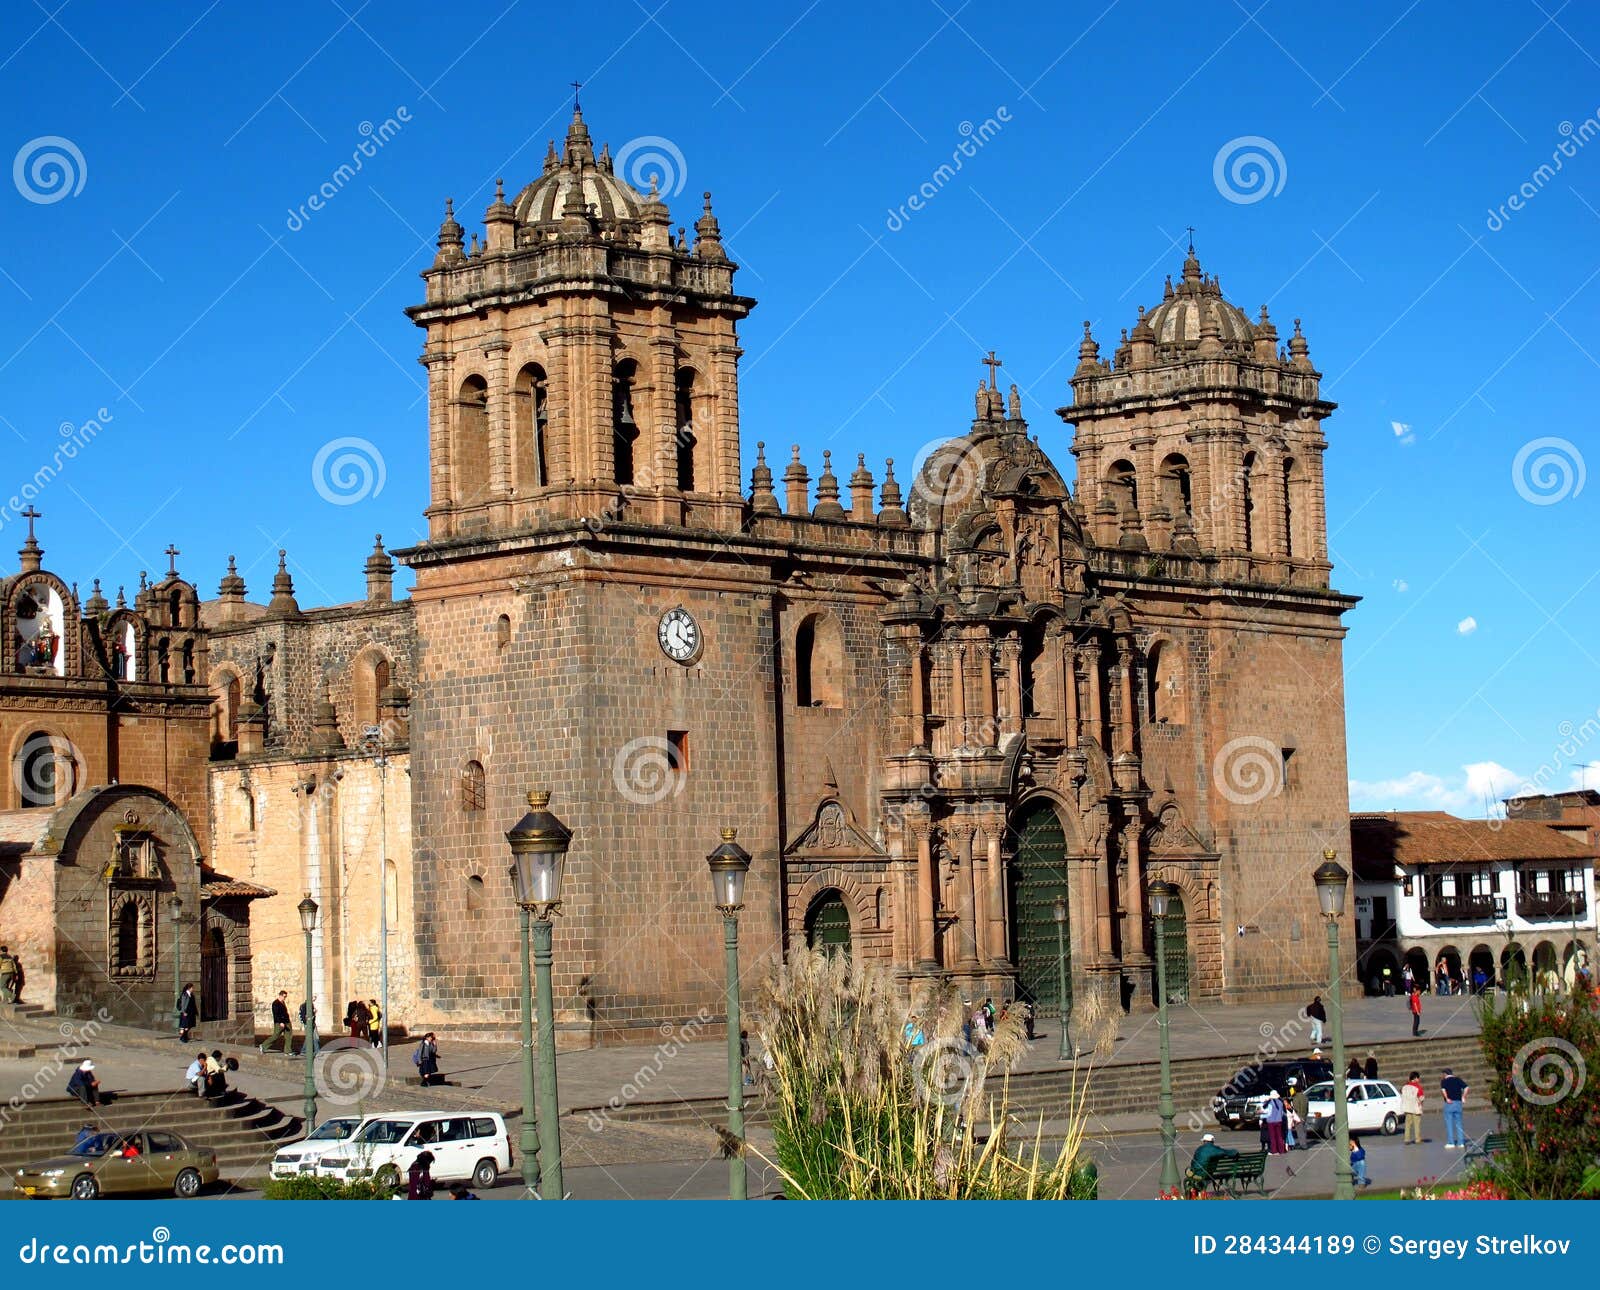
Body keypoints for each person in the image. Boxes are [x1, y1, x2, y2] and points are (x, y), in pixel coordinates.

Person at [1440, 1067, 1469, 1149]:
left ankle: (1451, 1142)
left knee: (1449, 1123)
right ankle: (1461, 1142)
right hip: (1458, 1103)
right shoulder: (1458, 1079)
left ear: (1445, 1074)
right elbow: (1466, 1087)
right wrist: (1464, 1097)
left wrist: (1447, 1098)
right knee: (1459, 1123)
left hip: (1449, 1103)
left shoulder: (1444, 1081)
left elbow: (1443, 1091)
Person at [1401, 1070, 1425, 1144]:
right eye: (1418, 1078)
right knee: (1416, 1124)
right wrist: (1420, 1103)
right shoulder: (1418, 1087)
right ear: (1415, 1078)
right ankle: (1417, 1139)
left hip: (1407, 1108)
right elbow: (1421, 1097)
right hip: (1415, 1108)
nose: (1418, 1080)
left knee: (1407, 1124)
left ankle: (1406, 1139)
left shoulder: (1404, 1086)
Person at [1262, 1089, 1287, 1155]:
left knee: (1272, 1137)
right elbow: (1282, 1113)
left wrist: (1263, 1116)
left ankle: (1274, 1151)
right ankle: (1281, 1150)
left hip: (1271, 1121)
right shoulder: (1280, 1102)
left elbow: (1269, 1113)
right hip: (1279, 1120)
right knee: (1279, 1136)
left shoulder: (1270, 1103)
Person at [1289, 1079, 1310, 1151]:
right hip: (1304, 1115)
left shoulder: (1295, 1097)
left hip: (1298, 1116)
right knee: (1304, 1130)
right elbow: (1307, 1107)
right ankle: (1304, 1143)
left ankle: (1303, 1145)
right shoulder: (1305, 1096)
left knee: (1300, 1131)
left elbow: (1296, 1108)